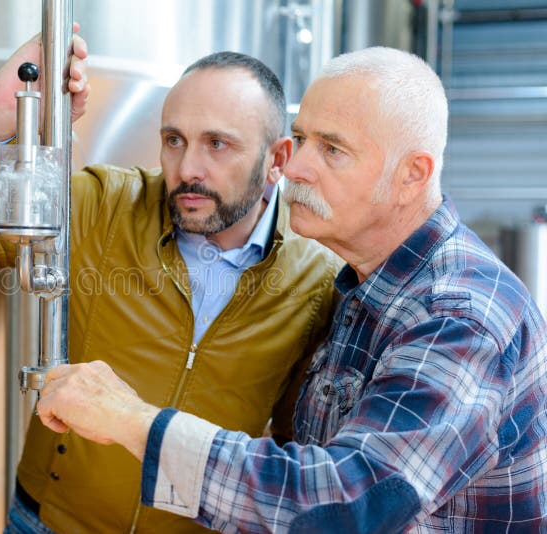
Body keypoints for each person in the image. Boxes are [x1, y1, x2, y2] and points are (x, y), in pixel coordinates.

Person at [35, 46, 547, 532]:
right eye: (301, 139)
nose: (295, 169)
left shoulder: (460, 317)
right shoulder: (363, 284)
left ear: (412, 175)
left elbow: (342, 508)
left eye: (332, 149)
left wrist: (132, 420)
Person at [0, 29, 341, 533]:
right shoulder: (104, 205)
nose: (187, 168)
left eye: (217, 144)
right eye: (174, 140)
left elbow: (294, 439)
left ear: (277, 160)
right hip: (50, 522)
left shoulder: (317, 276)